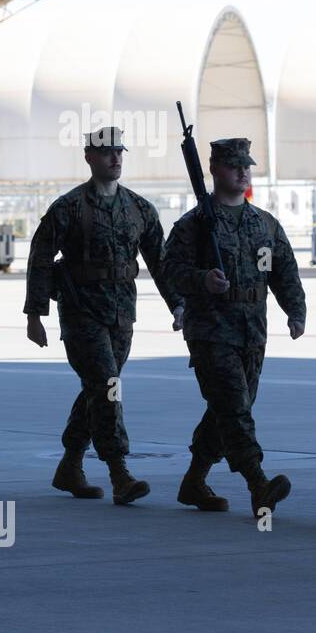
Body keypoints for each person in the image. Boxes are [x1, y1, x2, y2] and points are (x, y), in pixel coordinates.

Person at [23, 126, 182, 504]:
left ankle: (70, 465)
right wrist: (35, 314)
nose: (115, 158)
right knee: (109, 386)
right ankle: (118, 472)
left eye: (119, 152)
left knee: (99, 389)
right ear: (89, 157)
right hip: (81, 313)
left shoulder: (138, 208)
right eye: (107, 152)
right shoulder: (69, 207)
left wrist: (178, 304)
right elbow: (41, 258)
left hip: (122, 314)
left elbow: (160, 261)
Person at [161, 137, 306, 516]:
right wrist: (201, 280)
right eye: (234, 165)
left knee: (227, 410)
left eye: (247, 165)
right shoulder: (195, 224)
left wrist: (295, 311)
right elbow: (170, 272)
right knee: (235, 409)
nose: (243, 172)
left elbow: (284, 270)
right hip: (211, 331)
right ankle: (258, 483)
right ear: (215, 170)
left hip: (252, 330)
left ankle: (194, 481)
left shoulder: (264, 224)